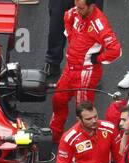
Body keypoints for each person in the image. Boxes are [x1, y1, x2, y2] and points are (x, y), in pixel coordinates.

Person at [50, 0, 121, 148]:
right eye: (76, 6)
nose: (77, 10)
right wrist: (71, 37)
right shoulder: (74, 12)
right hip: (70, 68)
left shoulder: (99, 24)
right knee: (58, 99)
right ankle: (55, 135)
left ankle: (85, 144)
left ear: (92, 6)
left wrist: (98, 58)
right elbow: (66, 17)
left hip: (86, 73)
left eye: (81, 8)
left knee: (84, 112)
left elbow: (116, 50)